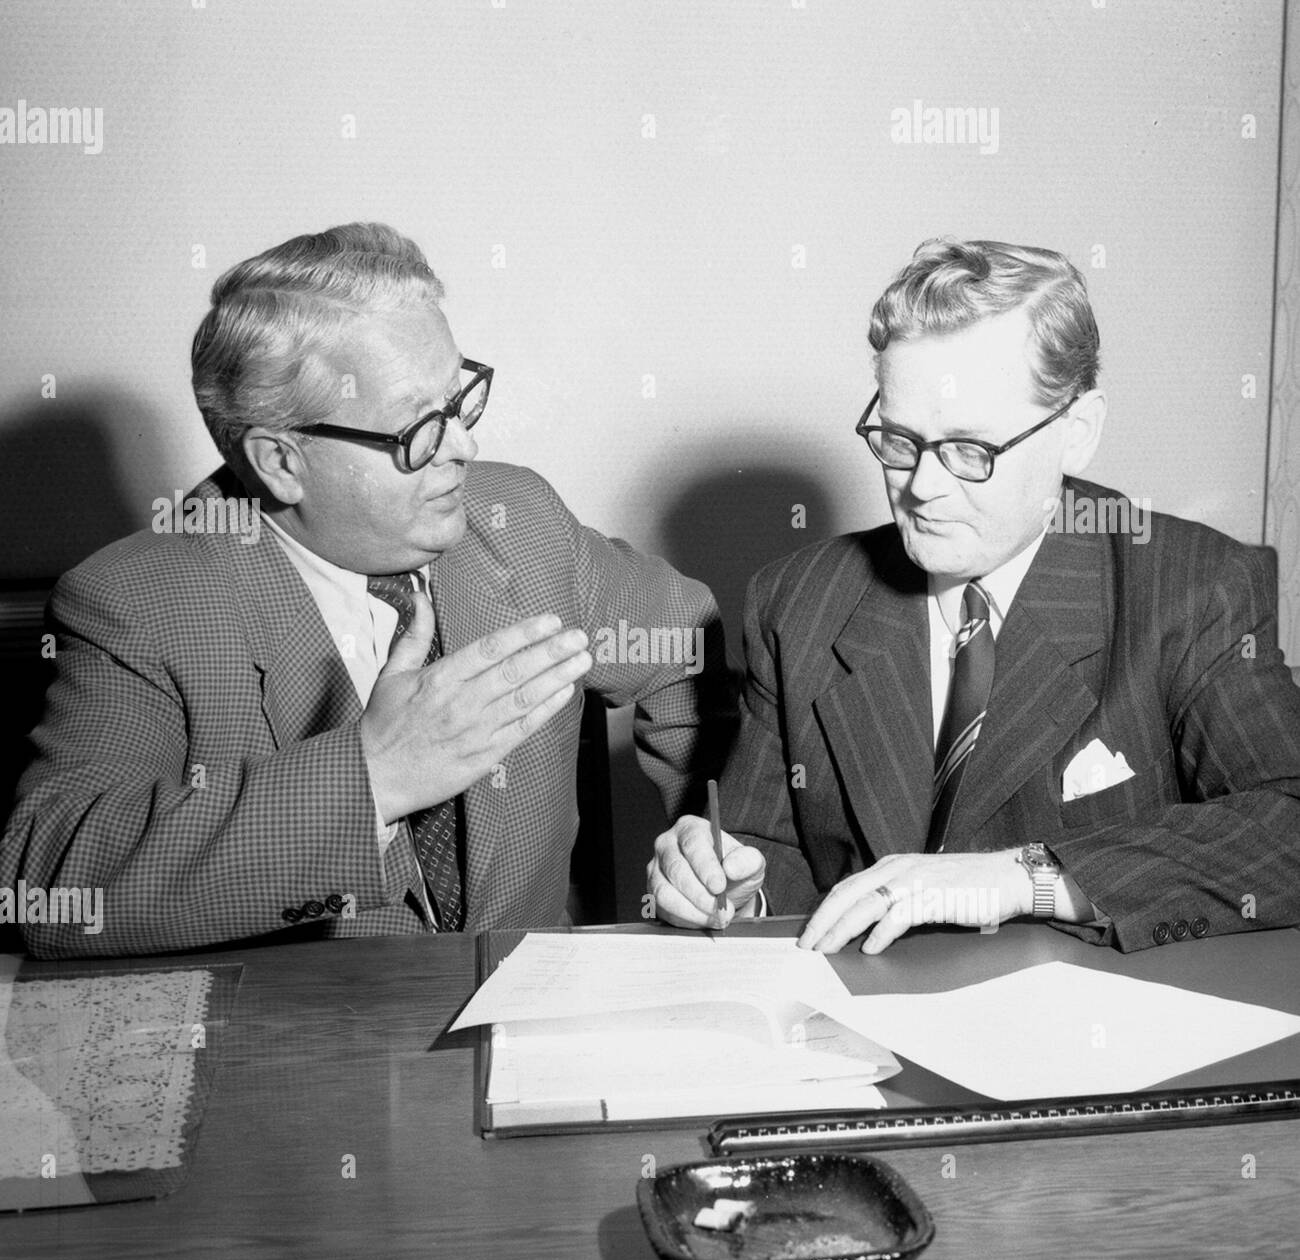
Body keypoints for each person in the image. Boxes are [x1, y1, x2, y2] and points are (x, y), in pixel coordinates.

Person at [3, 223, 730, 958]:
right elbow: (54, 880)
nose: (463, 447)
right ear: (281, 462)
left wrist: (707, 838)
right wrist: (374, 775)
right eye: (418, 426)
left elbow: (686, 640)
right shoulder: (135, 603)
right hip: (296, 1054)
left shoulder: (523, 523)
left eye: (459, 401)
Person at [648, 237, 1300, 954]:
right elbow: (768, 845)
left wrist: (1028, 876)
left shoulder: (1192, 587)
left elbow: (1289, 827)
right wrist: (727, 883)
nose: (922, 487)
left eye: (969, 451)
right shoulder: (797, 601)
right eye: (898, 440)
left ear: (1076, 434)